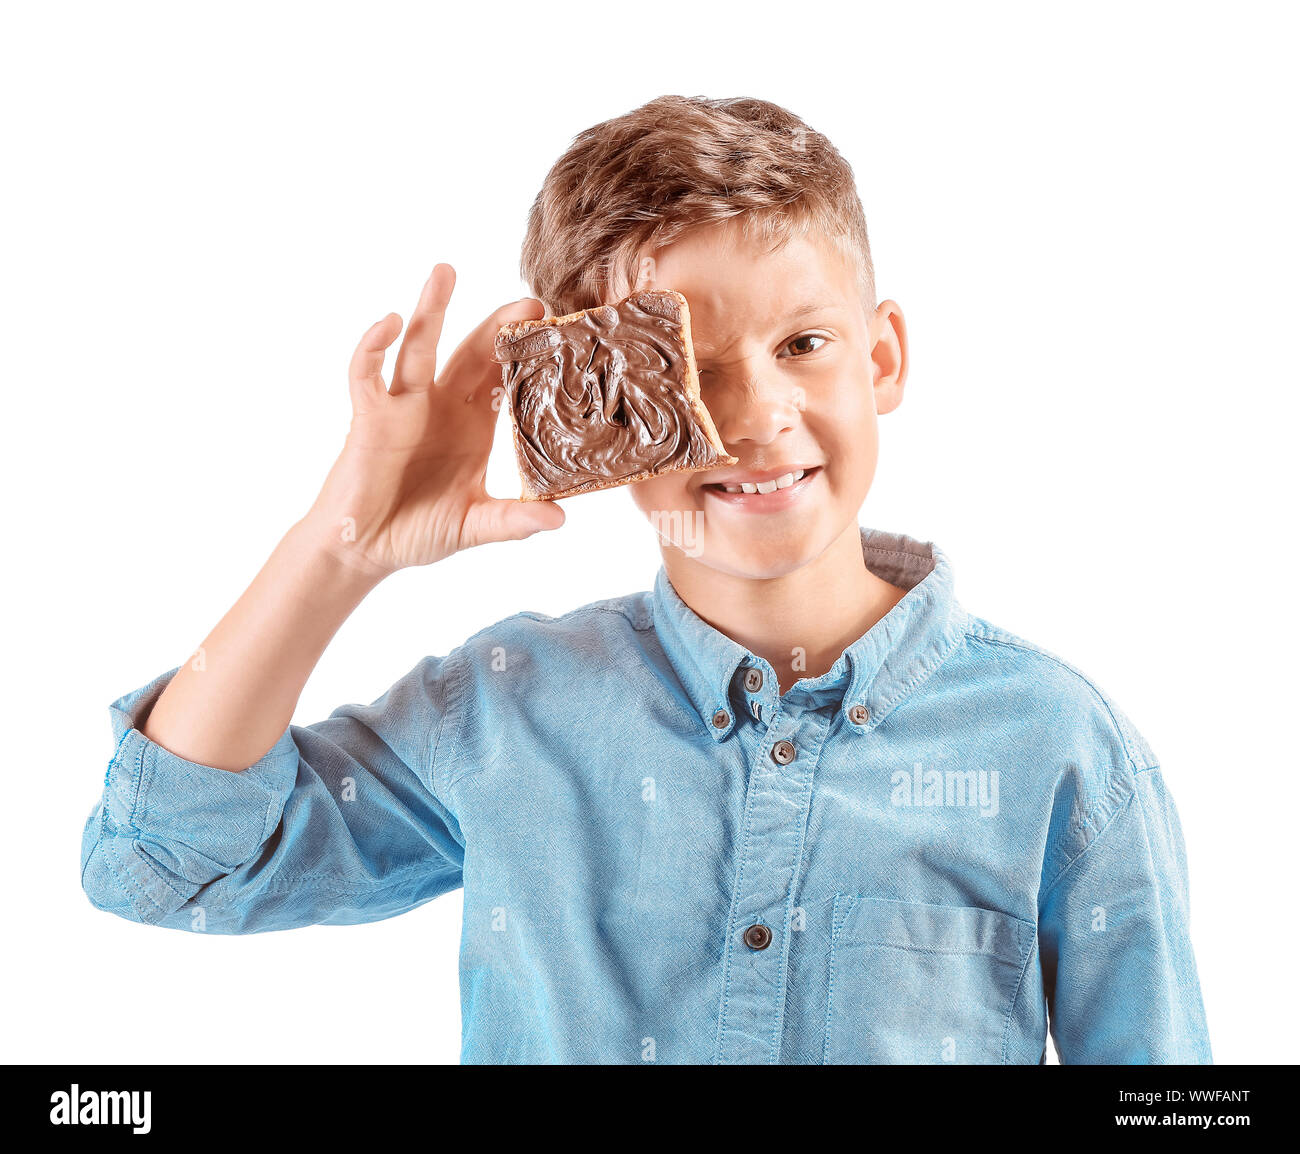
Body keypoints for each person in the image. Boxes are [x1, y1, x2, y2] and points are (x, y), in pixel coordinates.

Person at [80, 95, 1211, 1064]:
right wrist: (341, 543)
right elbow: (163, 863)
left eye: (804, 344)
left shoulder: (1056, 742)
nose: (758, 416)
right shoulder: (508, 708)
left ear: (882, 357)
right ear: (579, 403)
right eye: (687, 368)